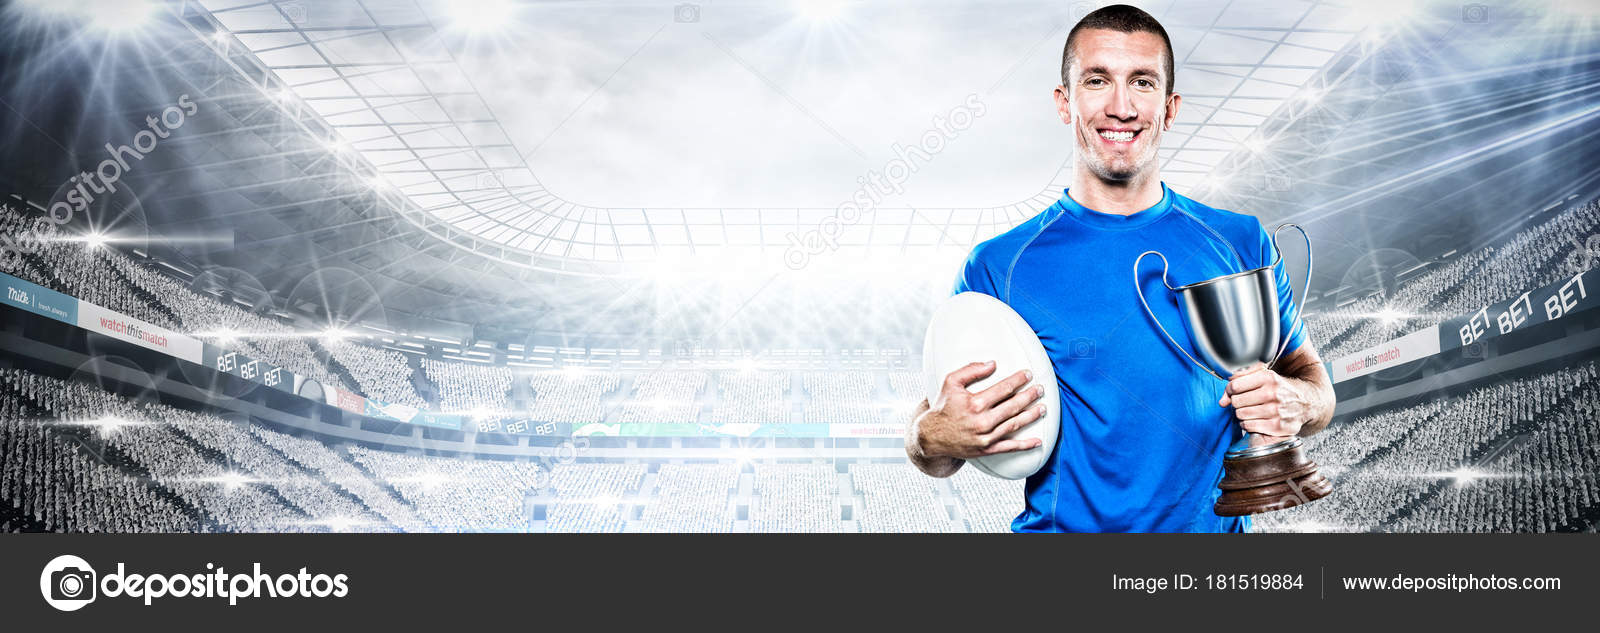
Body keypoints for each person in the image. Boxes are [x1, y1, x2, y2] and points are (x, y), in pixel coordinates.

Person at [905, 4, 1336, 532]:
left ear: (1171, 107)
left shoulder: (1240, 240)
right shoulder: (999, 266)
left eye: (1143, 82)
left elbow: (1313, 383)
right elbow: (935, 437)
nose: (1121, 106)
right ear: (1064, 103)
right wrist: (931, 436)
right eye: (1096, 80)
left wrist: (1298, 400)